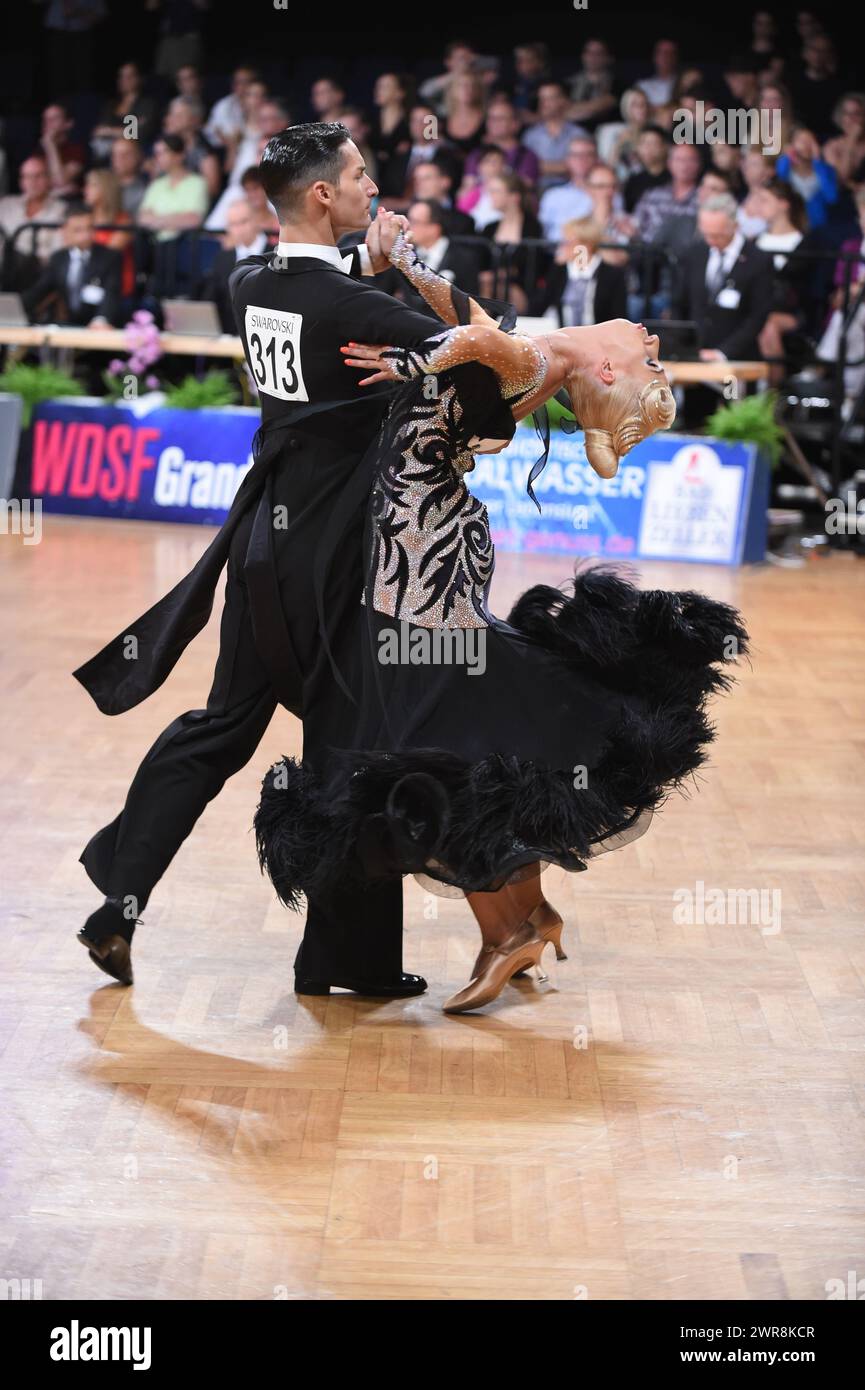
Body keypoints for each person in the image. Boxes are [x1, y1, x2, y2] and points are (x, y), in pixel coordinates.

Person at [253, 225, 750, 1014]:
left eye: (648, 359)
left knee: (436, 741)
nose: (652, 340)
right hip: (425, 543)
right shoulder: (537, 350)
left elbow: (471, 337)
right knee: (465, 726)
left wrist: (411, 358)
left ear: (608, 369)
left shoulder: (534, 359)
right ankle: (523, 916)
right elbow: (471, 318)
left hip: (415, 552)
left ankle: (509, 930)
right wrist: (411, 269)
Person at [71, 123, 469, 999]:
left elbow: (322, 311)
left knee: (220, 727)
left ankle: (119, 903)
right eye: (361, 176)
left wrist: (370, 276)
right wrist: (405, 273)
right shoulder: (356, 308)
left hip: (262, 549)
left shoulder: (249, 282)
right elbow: (486, 354)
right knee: (353, 746)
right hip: (335, 562)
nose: (375, 188)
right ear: (323, 194)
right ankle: (345, 962)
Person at [675, 193, 774, 362]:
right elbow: (680, 303)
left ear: (734, 226)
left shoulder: (758, 260)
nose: (711, 241)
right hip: (696, 356)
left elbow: (758, 316)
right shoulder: (695, 254)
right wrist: (683, 347)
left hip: (739, 359)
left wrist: (724, 353)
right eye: (706, 234)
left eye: (718, 235)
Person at [22, 204, 121, 327]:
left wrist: (101, 319)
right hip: (68, 324)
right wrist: (16, 307)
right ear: (64, 231)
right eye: (77, 230)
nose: (86, 235)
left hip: (99, 327)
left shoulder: (110, 257)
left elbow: (112, 293)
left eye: (89, 228)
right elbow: (40, 290)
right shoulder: (58, 258)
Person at [535, 216, 628, 324]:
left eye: (568, 242)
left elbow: (619, 318)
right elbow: (539, 307)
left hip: (598, 337)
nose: (562, 247)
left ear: (586, 246)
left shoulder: (612, 275)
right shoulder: (559, 270)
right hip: (564, 336)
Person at [205, 196, 269, 332]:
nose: (239, 229)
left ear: (257, 219)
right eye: (233, 224)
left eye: (244, 221)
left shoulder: (277, 255)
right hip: (229, 338)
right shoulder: (222, 258)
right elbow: (213, 300)